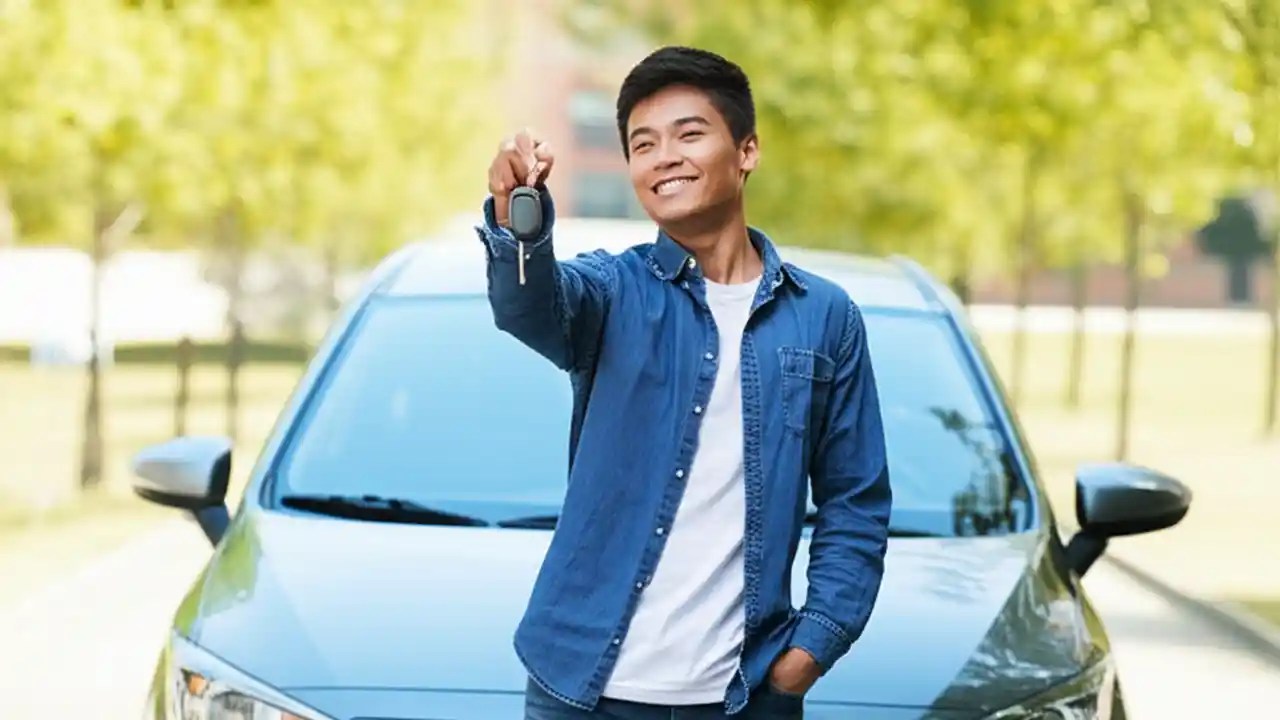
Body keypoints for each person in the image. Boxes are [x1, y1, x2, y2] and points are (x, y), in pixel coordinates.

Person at [476, 45, 892, 719]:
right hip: (579, 692)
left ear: (747, 150)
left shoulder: (825, 319)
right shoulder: (612, 291)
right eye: (643, 144)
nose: (663, 156)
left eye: (689, 134)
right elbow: (529, 306)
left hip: (744, 697)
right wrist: (513, 218)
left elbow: (855, 502)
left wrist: (807, 654)